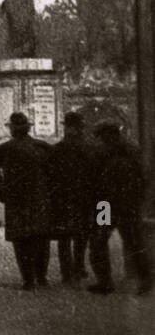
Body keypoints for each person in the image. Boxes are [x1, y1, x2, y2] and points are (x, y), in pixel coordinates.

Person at [0, 112, 51, 289]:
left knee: (22, 242)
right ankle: (41, 277)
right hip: (39, 199)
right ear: (28, 128)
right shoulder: (42, 147)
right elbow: (55, 174)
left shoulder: (4, 149)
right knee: (40, 238)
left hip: (16, 200)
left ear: (12, 128)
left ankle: (28, 280)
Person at [87, 123, 152, 296]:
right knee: (133, 241)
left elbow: (94, 181)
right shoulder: (131, 152)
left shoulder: (101, 154)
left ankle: (105, 282)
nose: (101, 140)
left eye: (102, 136)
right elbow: (143, 178)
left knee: (100, 241)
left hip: (106, 205)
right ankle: (144, 279)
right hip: (124, 204)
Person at [48, 112, 93, 285]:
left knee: (64, 237)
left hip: (63, 199)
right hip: (84, 198)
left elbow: (50, 176)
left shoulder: (57, 149)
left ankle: (67, 272)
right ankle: (79, 267)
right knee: (82, 235)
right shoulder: (89, 148)